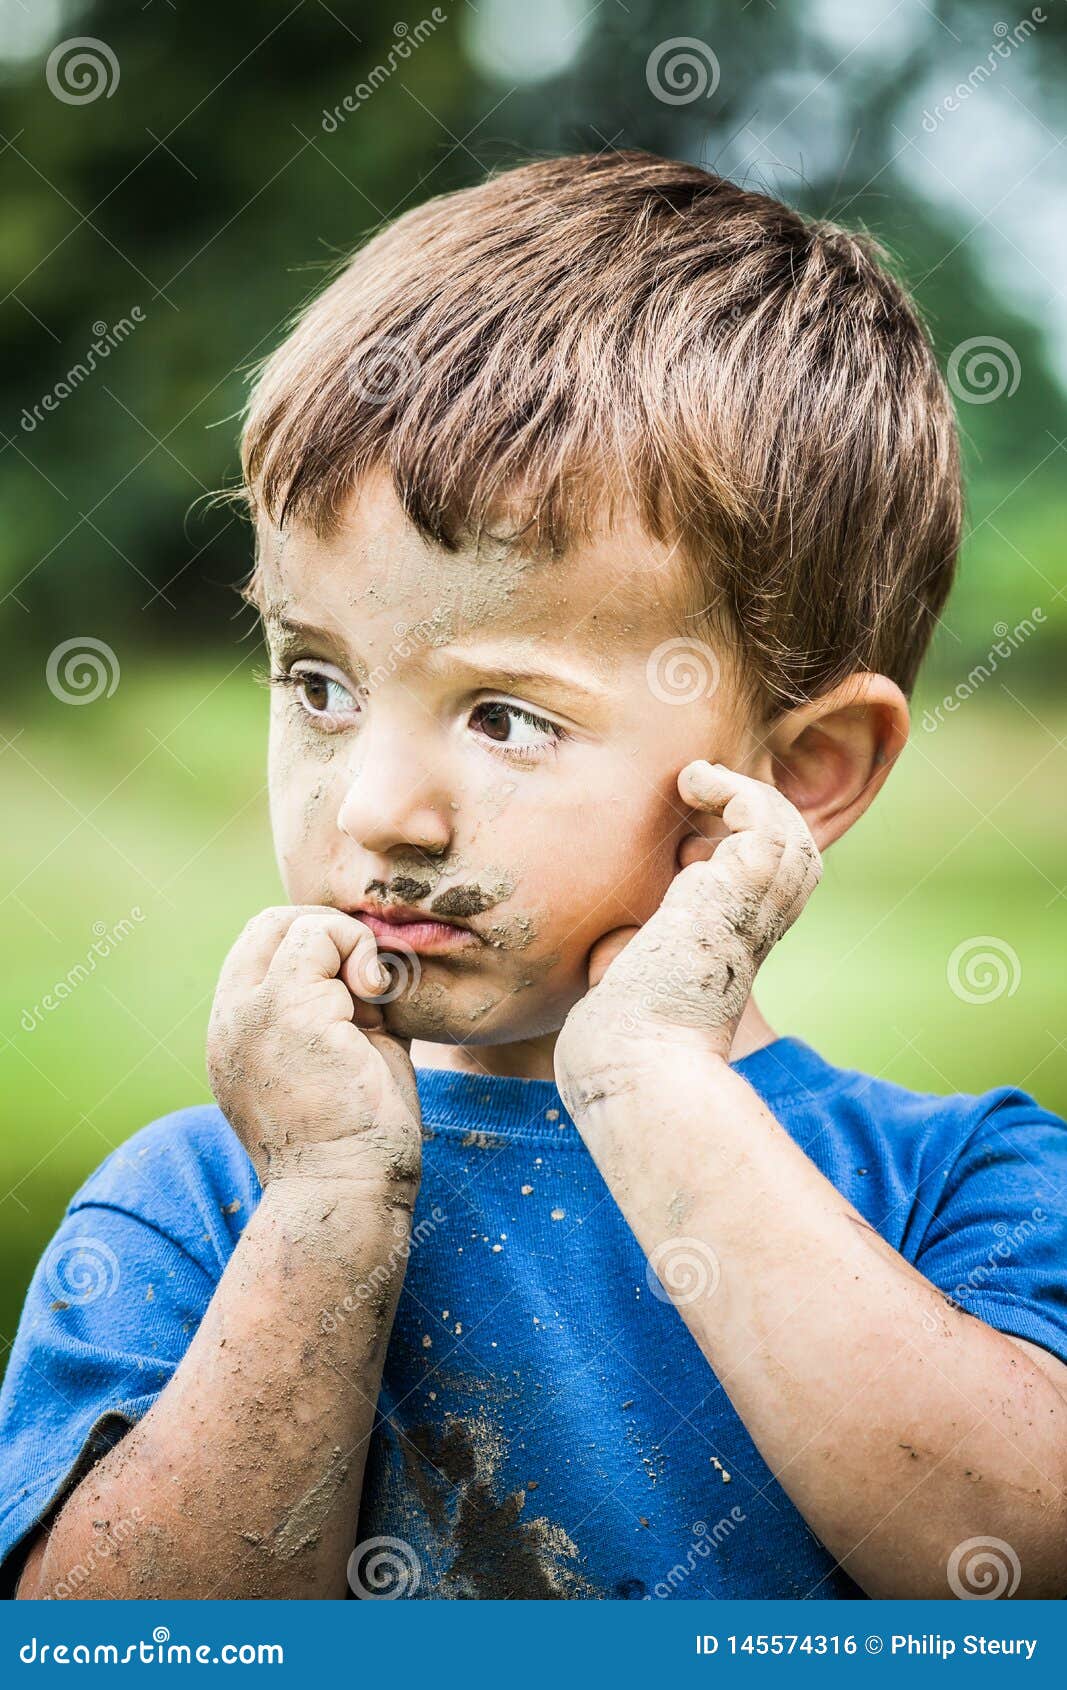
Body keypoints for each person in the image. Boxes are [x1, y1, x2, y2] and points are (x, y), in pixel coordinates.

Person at [4, 152, 1065, 1602]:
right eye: (317, 681)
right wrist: (322, 1213)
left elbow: (1020, 1569)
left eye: (508, 716)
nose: (375, 808)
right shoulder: (196, 1203)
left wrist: (650, 1084)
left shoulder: (962, 1190)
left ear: (805, 771)